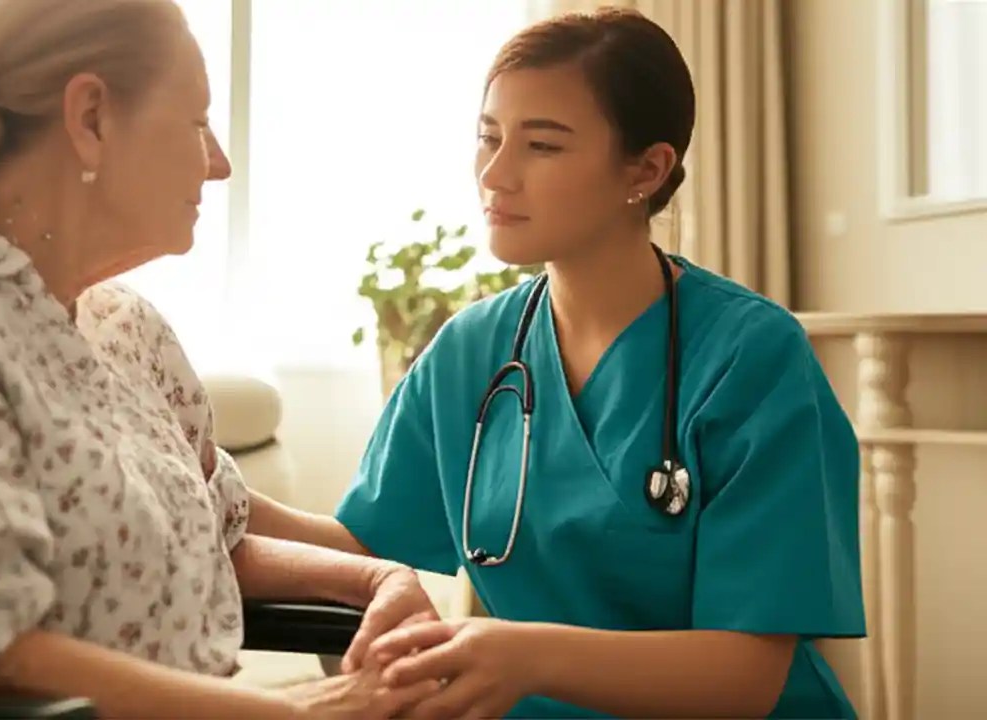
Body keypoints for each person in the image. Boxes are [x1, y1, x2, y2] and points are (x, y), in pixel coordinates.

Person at [0, 1, 443, 718]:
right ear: (91, 117)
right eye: (196, 122)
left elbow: (218, 532)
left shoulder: (123, 325)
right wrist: (309, 712)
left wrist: (377, 578)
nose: (218, 163)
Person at [247, 8, 866, 719]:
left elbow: (745, 675)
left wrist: (527, 654)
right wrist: (208, 486)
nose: (496, 173)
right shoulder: (469, 352)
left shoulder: (750, 357)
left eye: (542, 145)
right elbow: (362, 540)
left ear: (647, 168)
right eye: (489, 137)